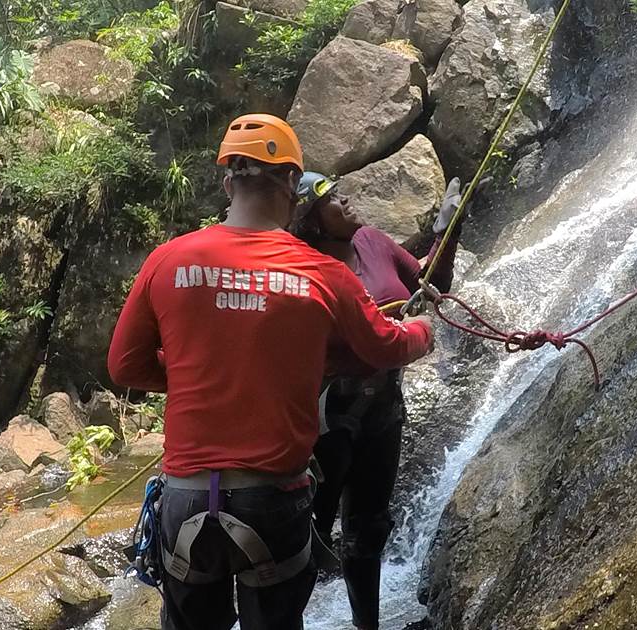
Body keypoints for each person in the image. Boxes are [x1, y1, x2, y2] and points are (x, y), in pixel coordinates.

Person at [107, 114, 434, 630]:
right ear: (290, 183)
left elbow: (125, 364)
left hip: (187, 494)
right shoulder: (323, 273)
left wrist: (205, 370)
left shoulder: (168, 261)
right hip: (272, 498)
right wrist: (422, 330)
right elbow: (384, 348)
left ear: (227, 182)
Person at [288, 172, 470, 629]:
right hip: (327, 420)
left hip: (383, 410)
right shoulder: (302, 270)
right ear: (310, 220)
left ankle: (366, 626)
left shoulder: (371, 241)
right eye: (332, 198)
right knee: (308, 538)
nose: (346, 200)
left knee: (368, 530)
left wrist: (447, 230)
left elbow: (431, 281)